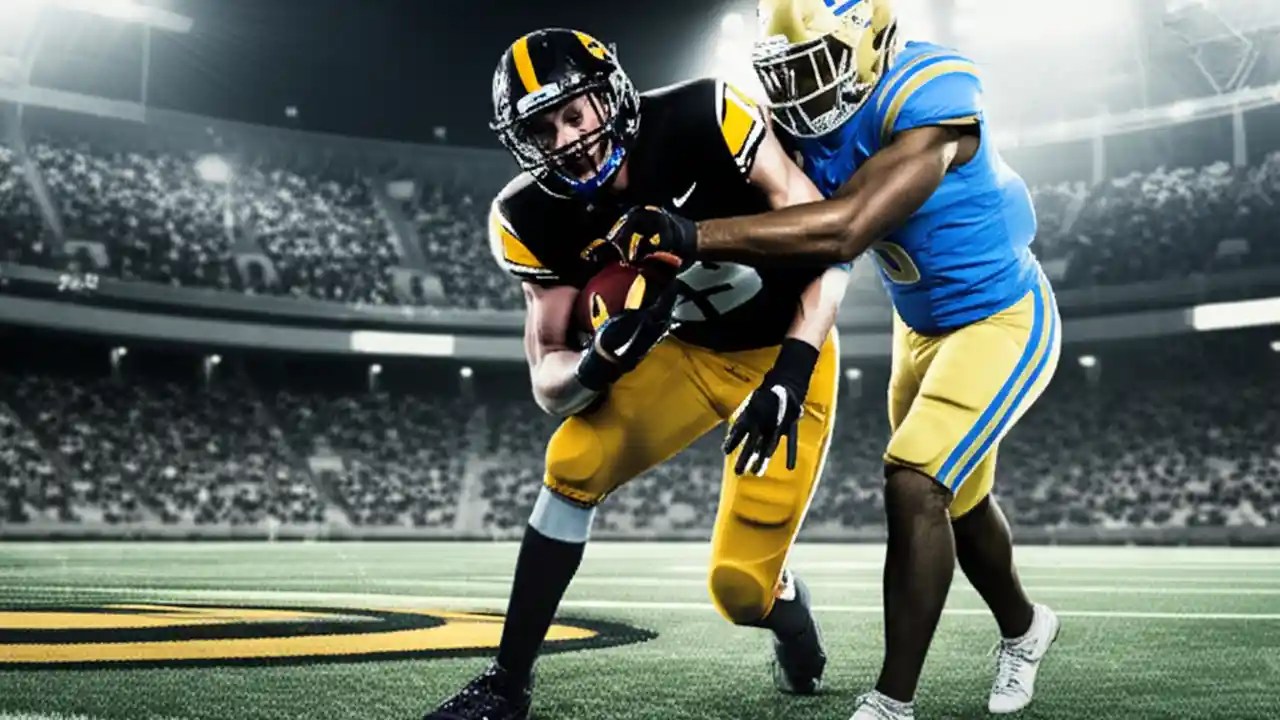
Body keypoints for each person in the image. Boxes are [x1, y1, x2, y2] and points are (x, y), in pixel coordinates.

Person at [605, 1, 1063, 717]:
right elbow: (776, 209)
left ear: (874, 44)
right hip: (920, 335)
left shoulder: (929, 96)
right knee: (962, 504)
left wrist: (692, 234)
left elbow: (845, 229)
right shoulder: (801, 119)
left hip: (1001, 318)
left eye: (816, 68)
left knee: (914, 482)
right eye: (782, 75)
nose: (798, 95)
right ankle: (1027, 627)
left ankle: (891, 702)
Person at [423, 27, 851, 720]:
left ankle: (791, 615)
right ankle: (506, 681)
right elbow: (549, 382)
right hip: (686, 352)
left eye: (574, 112)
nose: (565, 138)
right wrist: (598, 363)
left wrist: (793, 373)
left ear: (610, 96)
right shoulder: (527, 215)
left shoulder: (707, 115)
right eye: (541, 127)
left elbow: (830, 241)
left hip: (784, 349)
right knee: (574, 458)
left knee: (740, 590)